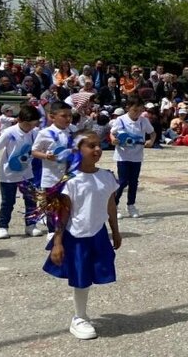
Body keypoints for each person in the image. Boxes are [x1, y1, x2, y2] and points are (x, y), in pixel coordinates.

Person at [42, 131, 122, 339]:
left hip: (98, 233)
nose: (97, 149)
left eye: (99, 145)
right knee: (81, 277)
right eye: (91, 146)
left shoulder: (107, 176)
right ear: (77, 150)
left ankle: (81, 315)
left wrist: (115, 230)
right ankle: (79, 317)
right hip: (76, 235)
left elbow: (110, 205)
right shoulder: (71, 181)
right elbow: (62, 214)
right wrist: (57, 242)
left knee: (94, 272)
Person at [0, 105, 44, 239]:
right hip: (8, 175)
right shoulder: (9, 133)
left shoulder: (35, 132)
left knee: (31, 200)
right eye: (28, 125)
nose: (30, 127)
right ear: (19, 120)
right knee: (8, 202)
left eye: (33, 125)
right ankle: (2, 226)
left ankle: (31, 225)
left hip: (27, 173)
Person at [31, 101, 75, 239]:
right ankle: (52, 230)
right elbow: (34, 151)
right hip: (51, 175)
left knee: (68, 202)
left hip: (70, 175)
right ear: (52, 116)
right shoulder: (45, 133)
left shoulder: (73, 131)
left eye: (70, 115)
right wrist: (46, 156)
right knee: (52, 204)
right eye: (64, 116)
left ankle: (67, 228)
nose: (68, 119)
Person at [109, 96, 155, 219]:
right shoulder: (120, 120)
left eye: (140, 110)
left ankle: (131, 205)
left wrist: (151, 141)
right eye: (135, 110)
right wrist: (113, 140)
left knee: (134, 181)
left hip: (137, 156)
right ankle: (114, 204)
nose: (137, 113)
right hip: (123, 156)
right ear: (128, 108)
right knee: (123, 181)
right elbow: (112, 133)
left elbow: (152, 132)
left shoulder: (143, 121)